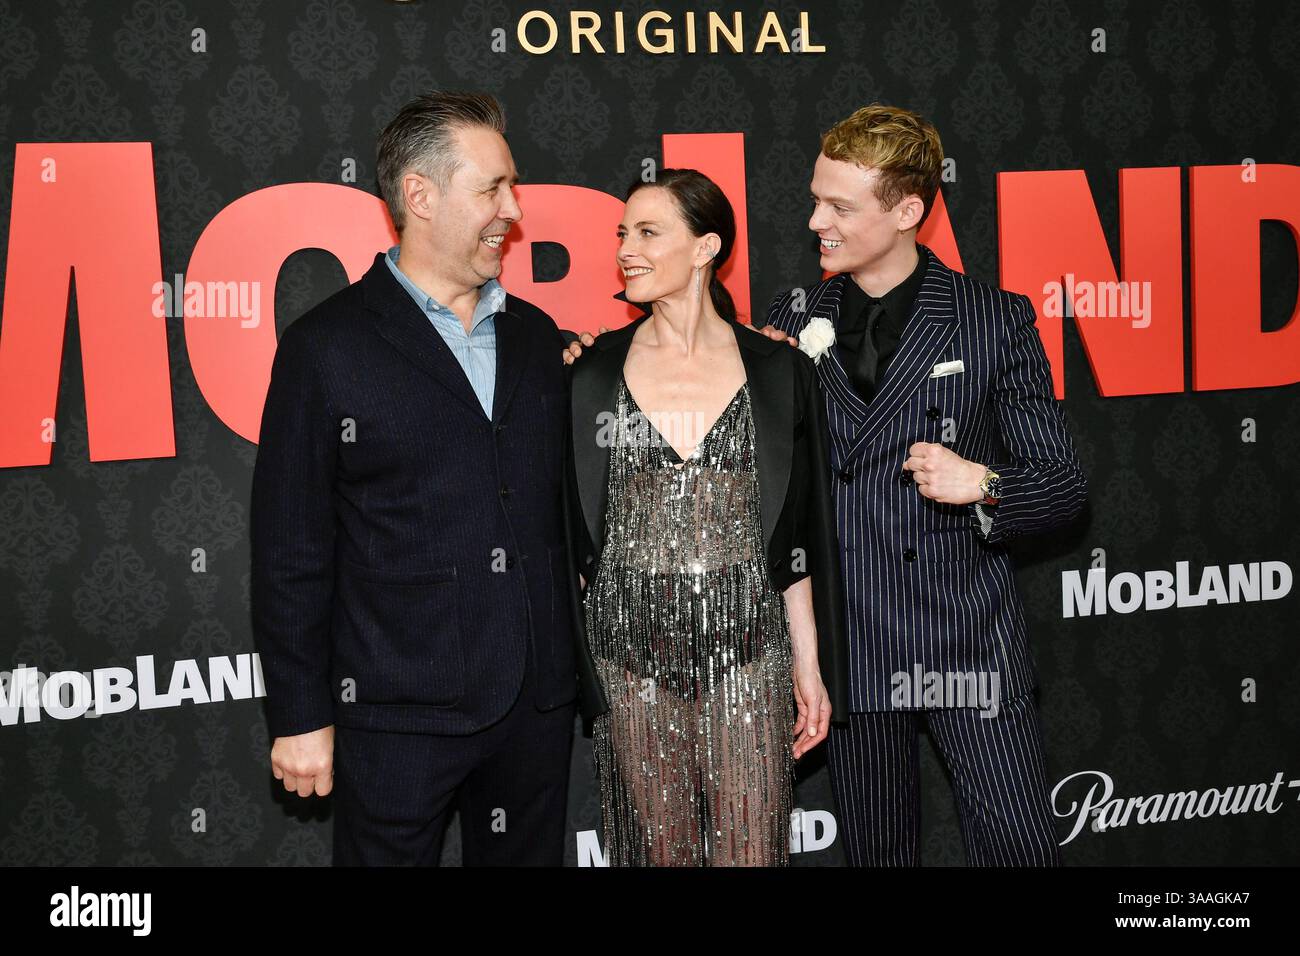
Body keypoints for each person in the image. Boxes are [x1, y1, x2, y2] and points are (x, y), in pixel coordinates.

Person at [566, 104, 1088, 866]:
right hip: (850, 649)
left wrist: (983, 482)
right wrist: (593, 360)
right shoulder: (791, 319)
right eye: (816, 200)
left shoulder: (991, 319)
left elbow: (1064, 487)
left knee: (1019, 850)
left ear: (906, 212)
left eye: (839, 207)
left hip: (965, 645)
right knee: (877, 856)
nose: (816, 222)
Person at [251, 91, 577, 866]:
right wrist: (300, 714)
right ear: (420, 196)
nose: (514, 209)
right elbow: (290, 548)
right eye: (493, 188)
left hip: (534, 704)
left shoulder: (537, 337)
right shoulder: (326, 347)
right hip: (397, 712)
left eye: (513, 186)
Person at [564, 168, 847, 867]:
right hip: (628, 660)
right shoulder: (590, 373)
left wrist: (809, 666)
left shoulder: (779, 372)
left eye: (647, 232)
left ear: (705, 246)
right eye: (623, 234)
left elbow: (794, 542)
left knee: (752, 853)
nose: (626, 249)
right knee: (659, 856)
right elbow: (574, 537)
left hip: (748, 654)